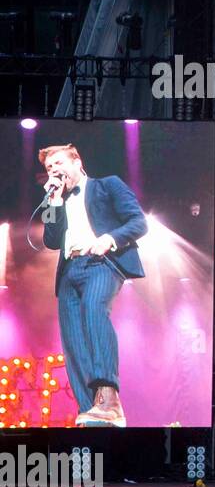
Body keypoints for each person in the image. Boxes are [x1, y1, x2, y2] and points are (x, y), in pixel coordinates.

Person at [38, 144, 147, 427]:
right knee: (72, 339)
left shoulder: (106, 185)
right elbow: (50, 240)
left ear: (77, 161)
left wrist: (109, 238)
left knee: (94, 310)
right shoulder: (56, 199)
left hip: (101, 261)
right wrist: (54, 201)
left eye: (58, 163)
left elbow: (138, 222)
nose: (54, 170)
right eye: (49, 168)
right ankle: (91, 410)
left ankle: (109, 399)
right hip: (68, 271)